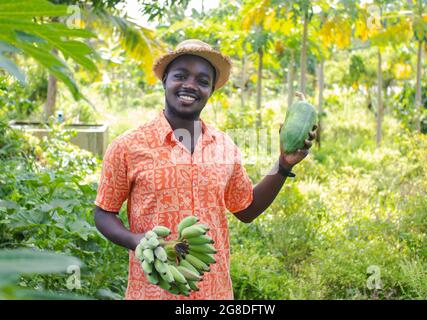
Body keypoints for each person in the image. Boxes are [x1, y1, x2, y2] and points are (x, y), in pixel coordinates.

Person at [94, 39, 317, 300]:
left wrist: (283, 164)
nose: (190, 85)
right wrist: (135, 240)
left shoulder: (224, 145)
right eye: (180, 76)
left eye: (202, 80)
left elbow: (246, 209)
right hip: (153, 292)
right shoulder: (128, 145)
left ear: (210, 90)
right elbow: (103, 212)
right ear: (165, 80)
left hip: (216, 293)